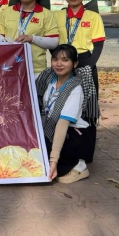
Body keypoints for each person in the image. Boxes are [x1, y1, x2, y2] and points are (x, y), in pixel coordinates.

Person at [35, 44, 99, 184]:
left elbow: (62, 124)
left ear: (74, 63)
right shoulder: (48, 78)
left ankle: (79, 166)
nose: (59, 64)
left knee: (46, 159)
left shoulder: (75, 89)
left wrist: (53, 160)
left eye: (65, 60)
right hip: (52, 127)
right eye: (55, 59)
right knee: (35, 150)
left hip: (74, 134)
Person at [0, 0, 59, 74]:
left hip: (35, 69)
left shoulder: (47, 14)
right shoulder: (7, 12)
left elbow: (54, 42)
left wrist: (32, 38)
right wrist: (3, 40)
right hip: (9, 67)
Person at [56, 0, 106, 92]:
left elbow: (98, 45)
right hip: (61, 63)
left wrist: (89, 67)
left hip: (85, 61)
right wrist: (58, 59)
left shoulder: (93, 17)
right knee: (62, 98)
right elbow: (51, 41)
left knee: (88, 99)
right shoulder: (56, 16)